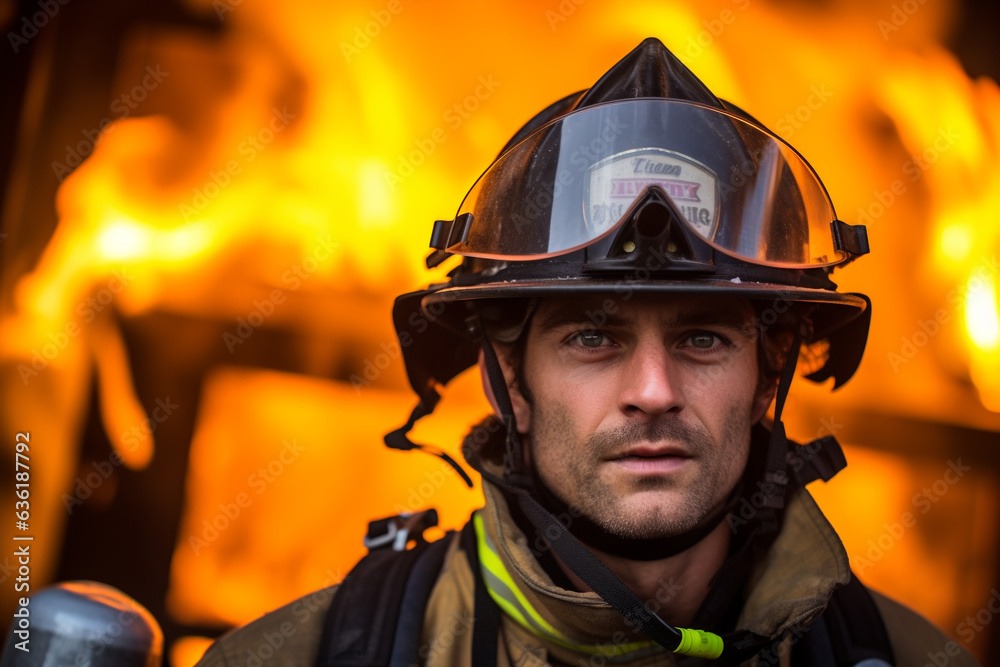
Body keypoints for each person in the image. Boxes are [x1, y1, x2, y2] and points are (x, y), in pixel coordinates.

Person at [196, 38, 980, 667]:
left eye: (703, 337)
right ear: (510, 375)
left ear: (770, 368)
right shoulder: (315, 653)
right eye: (593, 337)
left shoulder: (905, 657)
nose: (652, 390)